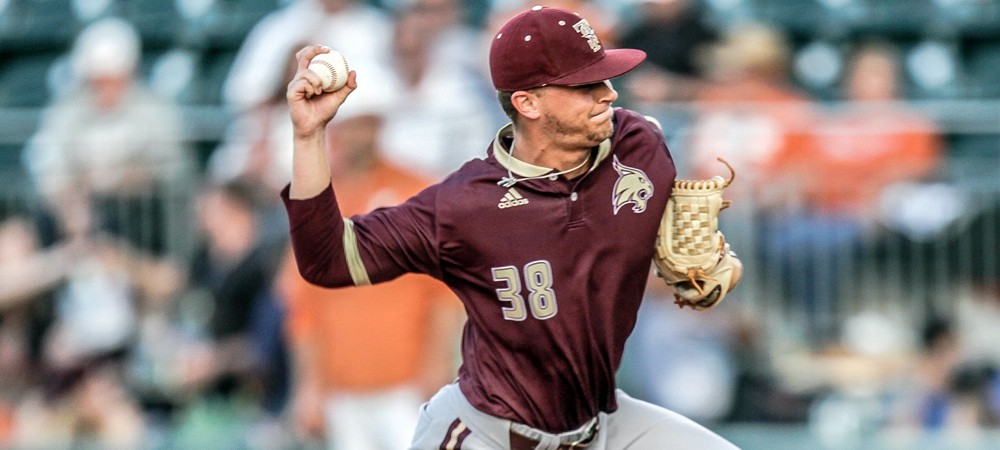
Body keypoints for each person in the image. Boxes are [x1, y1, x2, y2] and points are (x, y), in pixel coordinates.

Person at [281, 6, 740, 448]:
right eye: (584, 85)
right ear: (527, 102)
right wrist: (308, 137)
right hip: (485, 433)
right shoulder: (464, 205)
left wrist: (685, 255)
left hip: (602, 423)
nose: (609, 94)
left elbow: (640, 235)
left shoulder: (639, 144)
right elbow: (327, 261)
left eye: (605, 77)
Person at [276, 84, 463, 449]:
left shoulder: (416, 190)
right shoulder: (318, 201)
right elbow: (302, 308)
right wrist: (308, 386)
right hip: (341, 389)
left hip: (407, 384)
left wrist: (437, 367)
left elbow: (442, 294)